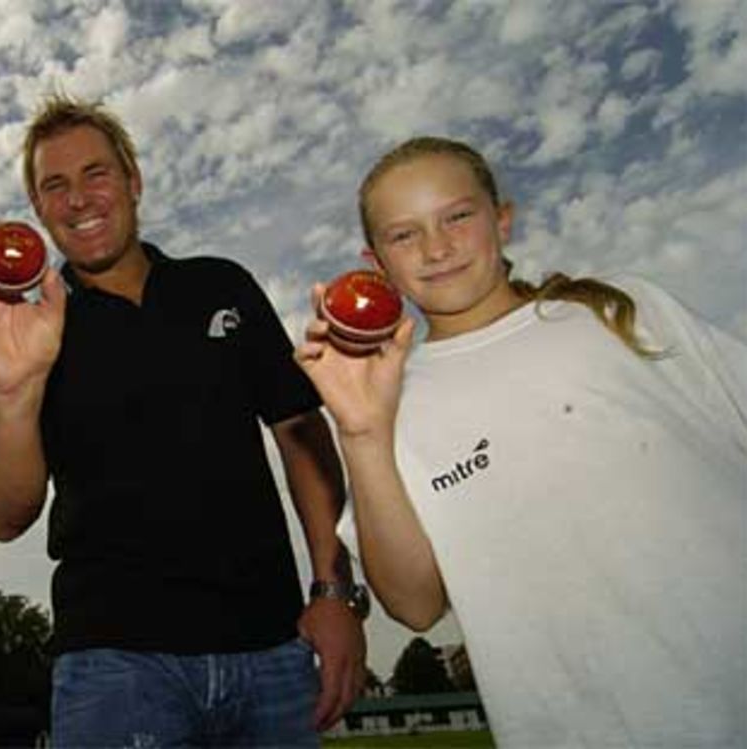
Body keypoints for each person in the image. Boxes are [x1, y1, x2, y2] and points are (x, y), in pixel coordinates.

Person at [0, 94, 367, 746]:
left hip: (273, 650)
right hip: (115, 665)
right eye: (55, 185)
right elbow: (1, 515)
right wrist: (14, 392)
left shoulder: (220, 285)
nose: (78, 197)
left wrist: (334, 589)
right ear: (39, 210)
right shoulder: (26, 328)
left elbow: (301, 432)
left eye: (96, 173)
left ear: (133, 181)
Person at [296, 136, 747, 747]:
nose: (437, 247)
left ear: (501, 219)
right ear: (374, 263)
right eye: (404, 235)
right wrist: (363, 433)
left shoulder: (619, 311)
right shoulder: (390, 401)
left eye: (457, 216)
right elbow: (416, 604)